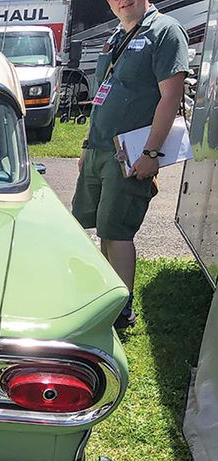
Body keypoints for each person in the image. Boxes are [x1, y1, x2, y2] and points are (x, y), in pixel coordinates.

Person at [71, 0, 189, 329]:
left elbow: (170, 96)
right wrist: (86, 144)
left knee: (117, 230)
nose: (122, 1)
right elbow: (102, 96)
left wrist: (151, 153)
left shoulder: (165, 31)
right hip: (98, 149)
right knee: (96, 227)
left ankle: (121, 311)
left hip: (130, 154)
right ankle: (107, 296)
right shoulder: (115, 35)